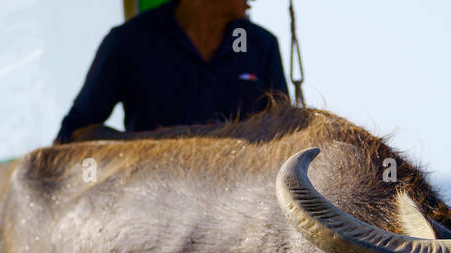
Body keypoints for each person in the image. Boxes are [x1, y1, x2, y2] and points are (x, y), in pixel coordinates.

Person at [55, 0, 289, 145]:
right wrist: (143, 145)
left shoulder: (261, 45)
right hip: (157, 206)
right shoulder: (128, 43)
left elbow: (288, 132)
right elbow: (75, 132)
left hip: (245, 205)